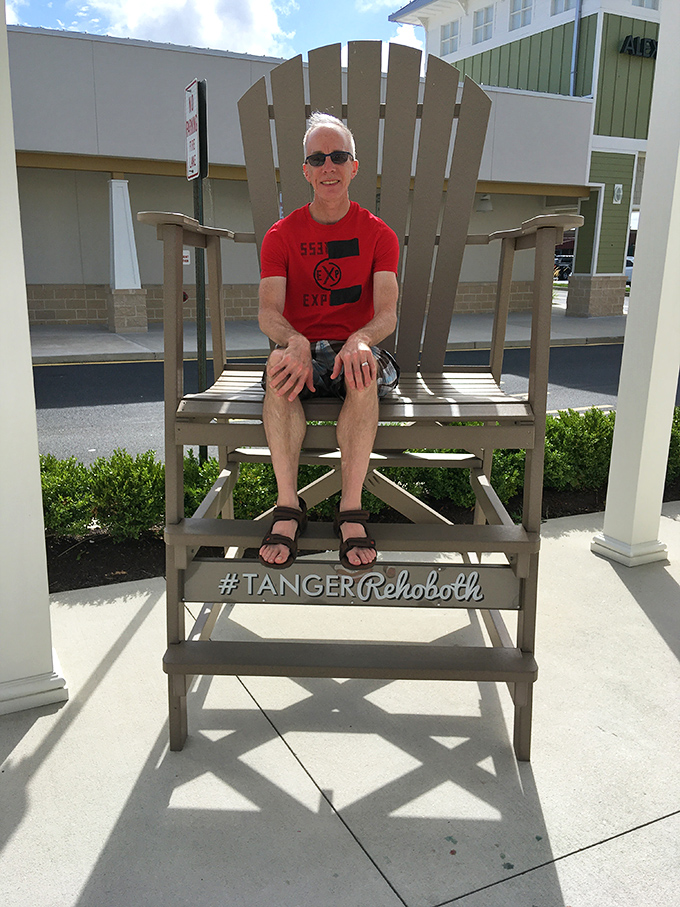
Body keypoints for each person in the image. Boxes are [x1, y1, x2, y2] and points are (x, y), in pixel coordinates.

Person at [257, 111, 400, 570]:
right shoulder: (281, 236)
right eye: (317, 158)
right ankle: (288, 506)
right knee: (278, 374)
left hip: (356, 348)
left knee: (362, 371)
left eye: (338, 156)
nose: (328, 166)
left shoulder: (380, 235)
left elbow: (387, 314)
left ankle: (350, 508)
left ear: (354, 166)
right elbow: (267, 312)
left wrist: (361, 338)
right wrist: (292, 340)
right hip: (304, 350)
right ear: (306, 171)